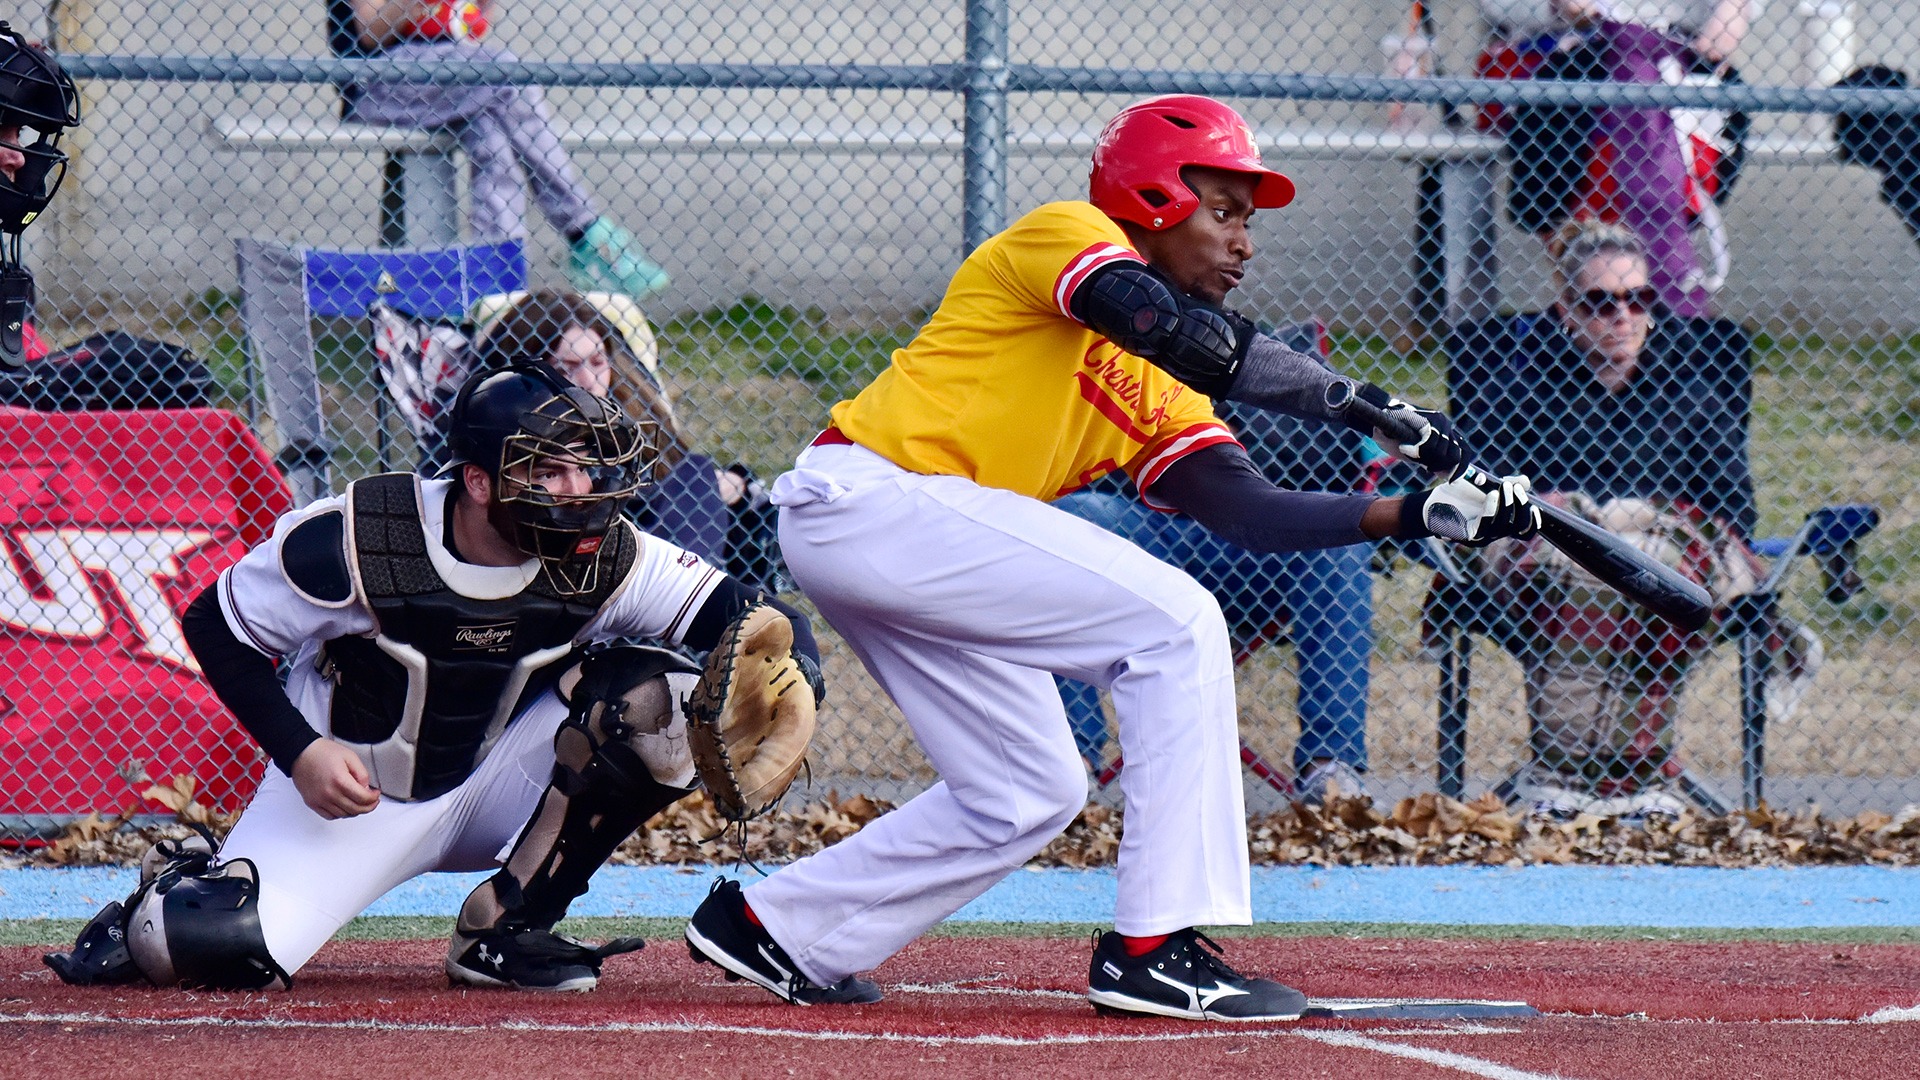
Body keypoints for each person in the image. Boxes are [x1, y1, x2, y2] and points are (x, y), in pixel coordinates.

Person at [680, 94, 1540, 1022]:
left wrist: (1420, 513)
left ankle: (778, 926)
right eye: (1225, 212)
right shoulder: (1067, 235)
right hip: (874, 499)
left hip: (914, 537)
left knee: (1026, 789)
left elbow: (1246, 511)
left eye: (1248, 220)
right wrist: (1364, 406)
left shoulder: (1163, 387)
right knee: (1176, 626)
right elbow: (1175, 330)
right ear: (1156, 196)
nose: (1245, 243)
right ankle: (1154, 948)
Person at [45, 363, 875, 1001]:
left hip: (501, 784)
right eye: (550, 473)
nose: (580, 493)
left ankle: (509, 929)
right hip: (353, 795)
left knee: (661, 703)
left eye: (584, 469)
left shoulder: (608, 555)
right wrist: (300, 753)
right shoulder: (359, 540)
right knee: (199, 946)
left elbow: (744, 614)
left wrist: (797, 665)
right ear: (478, 482)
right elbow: (215, 627)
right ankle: (174, 888)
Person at [1446, 218, 1817, 817]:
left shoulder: (1693, 394)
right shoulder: (1517, 393)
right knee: (1583, 566)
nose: (1622, 316)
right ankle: (1640, 785)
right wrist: (1599, 528)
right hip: (1553, 562)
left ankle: (1563, 783)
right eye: (1600, 303)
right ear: (1566, 311)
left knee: (1655, 565)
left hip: (1663, 563)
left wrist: (1629, 527)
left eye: (1638, 299)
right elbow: (1485, 503)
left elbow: (1731, 514)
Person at [1050, 325, 1380, 803]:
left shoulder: (1274, 358)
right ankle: (1069, 765)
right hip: (1147, 541)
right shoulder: (1108, 344)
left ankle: (1330, 769)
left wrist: (1229, 441)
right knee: (1070, 521)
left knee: (1340, 542)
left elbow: (1325, 466)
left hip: (1250, 545)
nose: (1239, 253)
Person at [330, 0, 670, 299]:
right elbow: (370, 33)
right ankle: (584, 230)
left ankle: (497, 285)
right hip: (379, 81)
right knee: (506, 73)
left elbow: (472, 31)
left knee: (491, 132)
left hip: (448, 78)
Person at [470, 289, 787, 593]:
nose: (589, 382)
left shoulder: (631, 414)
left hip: (651, 545)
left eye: (597, 362)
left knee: (698, 474)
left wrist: (726, 485)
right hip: (566, 559)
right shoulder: (498, 427)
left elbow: (672, 481)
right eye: (566, 367)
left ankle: (684, 602)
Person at [1490, 0, 1762, 318]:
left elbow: (1727, 23)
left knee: (1705, 125)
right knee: (1563, 128)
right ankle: (1590, 299)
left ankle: (1656, 293)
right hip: (1572, 51)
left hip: (1681, 55)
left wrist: (1734, 8)